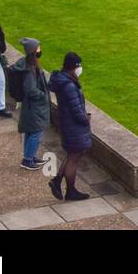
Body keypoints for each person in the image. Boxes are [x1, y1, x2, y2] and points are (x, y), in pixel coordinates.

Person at [48, 52, 92, 201]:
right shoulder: (69, 86)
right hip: (73, 126)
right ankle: (70, 190)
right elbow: (76, 109)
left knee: (72, 154)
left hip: (68, 124)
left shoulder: (64, 81)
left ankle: (58, 180)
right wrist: (86, 119)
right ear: (74, 67)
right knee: (73, 157)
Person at [12, 38, 50, 171]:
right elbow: (30, 89)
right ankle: (27, 160)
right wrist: (43, 96)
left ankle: (30, 156)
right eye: (38, 47)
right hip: (34, 107)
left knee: (31, 131)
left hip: (32, 106)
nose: (40, 49)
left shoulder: (29, 65)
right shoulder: (30, 69)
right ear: (34, 51)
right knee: (36, 132)